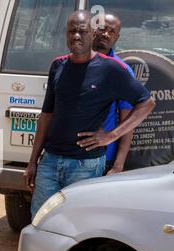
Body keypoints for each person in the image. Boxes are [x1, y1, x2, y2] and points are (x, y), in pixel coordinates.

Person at [25, 11, 155, 218]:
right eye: (72, 31)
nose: (76, 36)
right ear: (66, 33)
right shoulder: (58, 65)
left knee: (76, 224)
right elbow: (47, 115)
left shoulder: (111, 69)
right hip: (50, 160)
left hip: (85, 165)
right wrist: (33, 162)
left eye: (82, 31)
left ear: (91, 33)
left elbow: (147, 103)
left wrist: (111, 136)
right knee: (40, 219)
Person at [93, 13, 135, 175]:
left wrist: (118, 165)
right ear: (91, 30)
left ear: (117, 37)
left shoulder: (121, 70)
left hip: (103, 158)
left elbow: (128, 121)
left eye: (112, 31)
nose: (106, 34)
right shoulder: (70, 63)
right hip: (65, 154)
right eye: (102, 28)